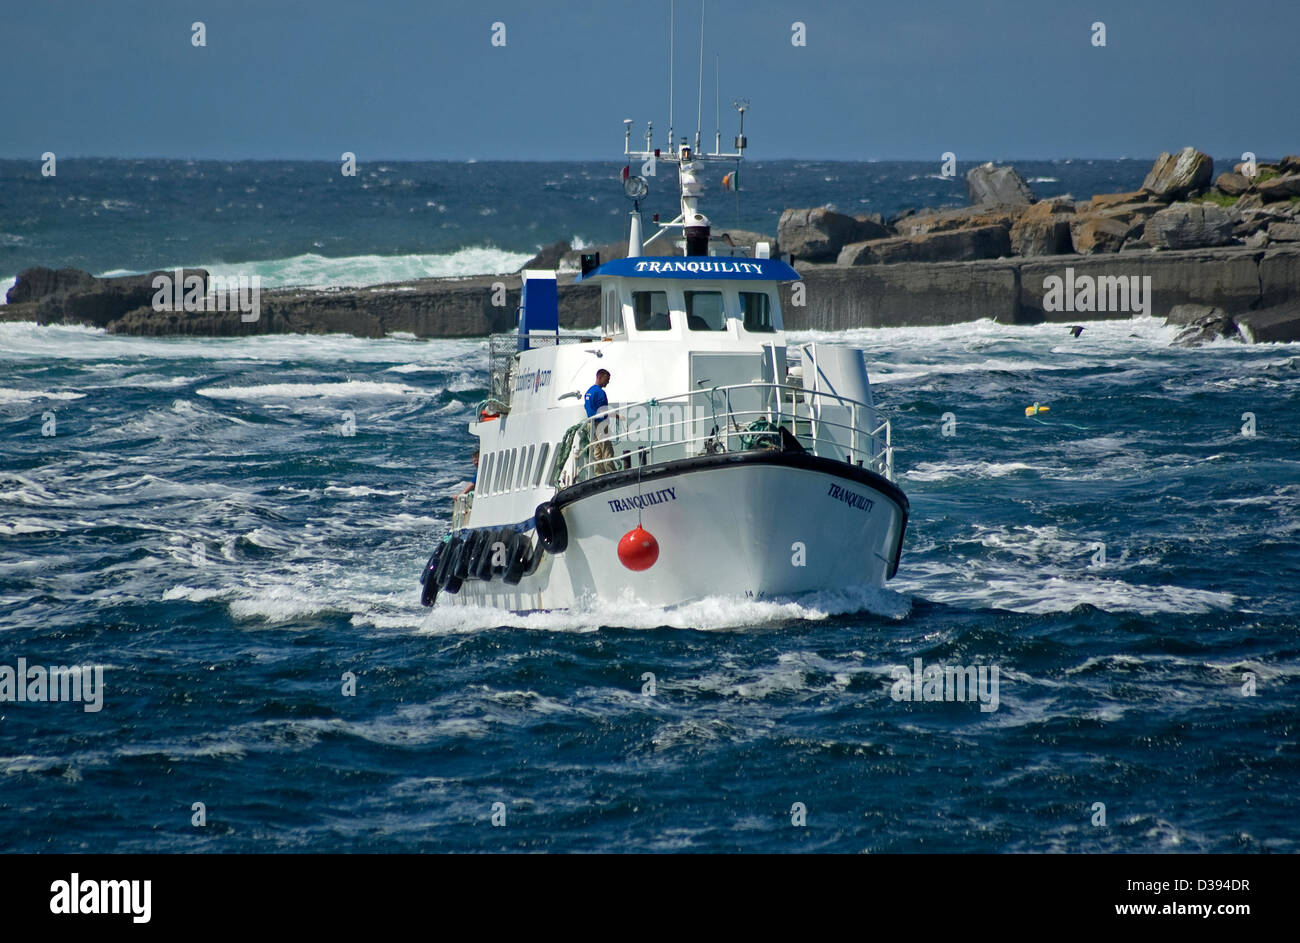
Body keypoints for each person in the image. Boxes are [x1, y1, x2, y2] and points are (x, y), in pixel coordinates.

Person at [583, 369, 621, 475]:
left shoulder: (588, 392)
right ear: (600, 377)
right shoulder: (600, 393)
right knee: (607, 450)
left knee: (597, 450)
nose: (608, 382)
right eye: (607, 379)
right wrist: (616, 416)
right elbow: (603, 410)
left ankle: (599, 473)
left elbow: (588, 408)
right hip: (600, 424)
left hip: (591, 424)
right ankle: (611, 472)